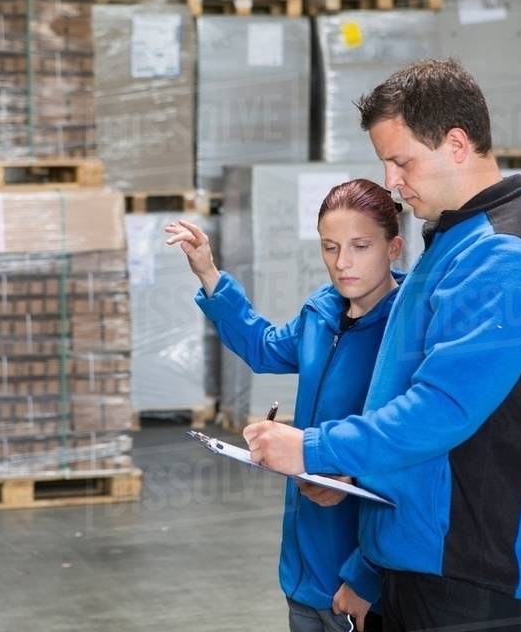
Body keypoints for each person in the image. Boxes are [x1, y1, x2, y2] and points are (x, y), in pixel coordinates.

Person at [242, 58, 521, 631]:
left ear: (457, 144)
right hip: (415, 568)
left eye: (402, 161)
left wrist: (314, 449)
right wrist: (368, 567)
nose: (392, 182)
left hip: (467, 580)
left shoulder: (506, 262)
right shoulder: (452, 243)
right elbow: (402, 404)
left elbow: (439, 412)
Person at [164, 179, 405, 632]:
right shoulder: (321, 314)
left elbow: (414, 455)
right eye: (330, 247)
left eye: (360, 246)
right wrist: (208, 272)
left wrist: (366, 577)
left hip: (361, 577)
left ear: (394, 248)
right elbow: (263, 347)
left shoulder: (408, 333)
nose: (343, 262)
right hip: (304, 566)